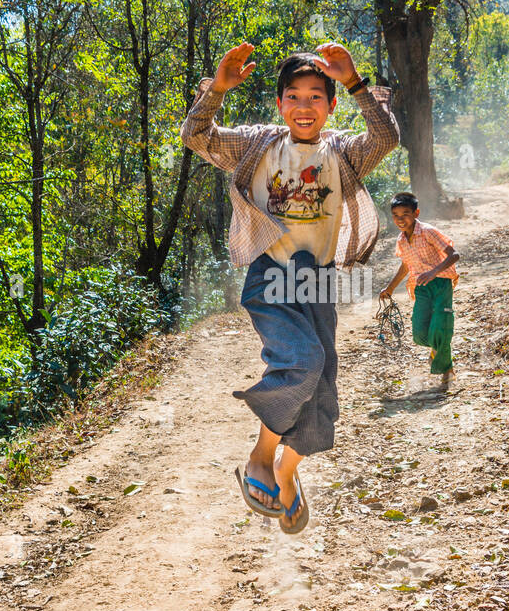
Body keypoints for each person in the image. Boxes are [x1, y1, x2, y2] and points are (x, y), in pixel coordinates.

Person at [181, 41, 399, 533]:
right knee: (302, 361)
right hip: (271, 277)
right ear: (280, 104)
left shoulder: (341, 152)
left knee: (323, 398)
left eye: (316, 97)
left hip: (317, 282)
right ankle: (262, 456)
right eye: (294, 96)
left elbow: (385, 138)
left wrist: (356, 81)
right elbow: (196, 135)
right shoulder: (260, 144)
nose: (305, 106)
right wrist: (216, 89)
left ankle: (286, 471)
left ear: (331, 104)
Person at [379, 192, 460, 391]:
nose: (400, 219)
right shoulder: (401, 240)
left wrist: (434, 272)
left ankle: (447, 370)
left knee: (441, 326)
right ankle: (437, 349)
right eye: (396, 215)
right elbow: (406, 266)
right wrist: (389, 288)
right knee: (419, 332)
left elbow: (454, 255)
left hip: (441, 283)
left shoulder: (428, 232)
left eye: (405, 214)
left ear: (416, 213)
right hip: (421, 287)